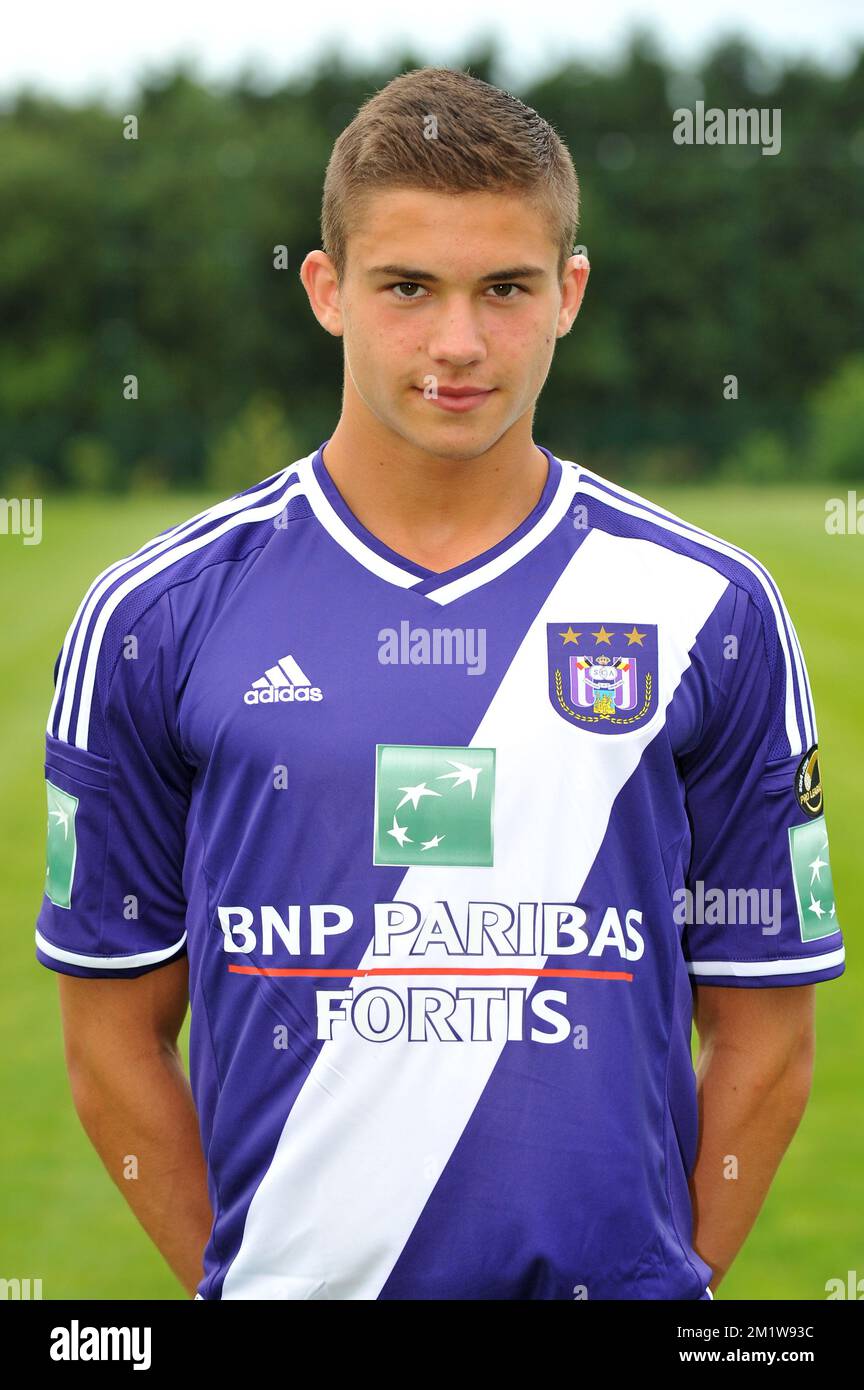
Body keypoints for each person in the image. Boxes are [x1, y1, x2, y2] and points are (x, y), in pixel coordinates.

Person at [35, 65, 844, 1301]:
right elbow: (107, 1038)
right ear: (327, 291)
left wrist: (666, 1287)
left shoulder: (711, 611)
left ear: (569, 294)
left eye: (506, 289)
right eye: (407, 287)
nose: (458, 343)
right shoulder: (154, 616)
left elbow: (767, 1032)